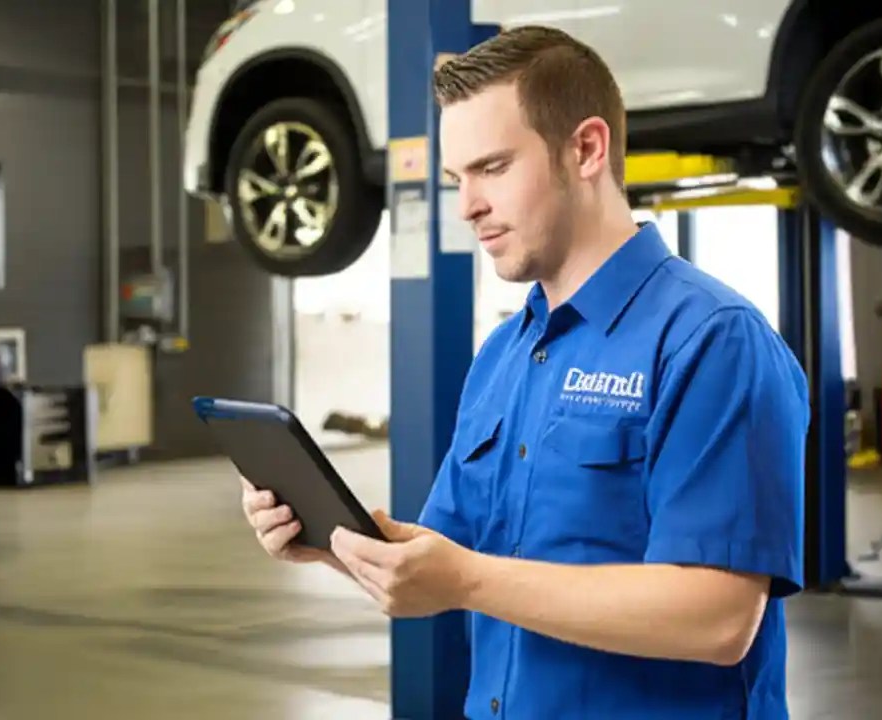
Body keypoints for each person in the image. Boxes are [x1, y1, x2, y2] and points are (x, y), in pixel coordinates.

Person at [241, 25, 810, 720]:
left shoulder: (713, 343)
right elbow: (445, 558)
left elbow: (718, 619)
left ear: (588, 149)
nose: (467, 205)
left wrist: (469, 580)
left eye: (492, 168)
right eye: (457, 179)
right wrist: (329, 540)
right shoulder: (502, 355)